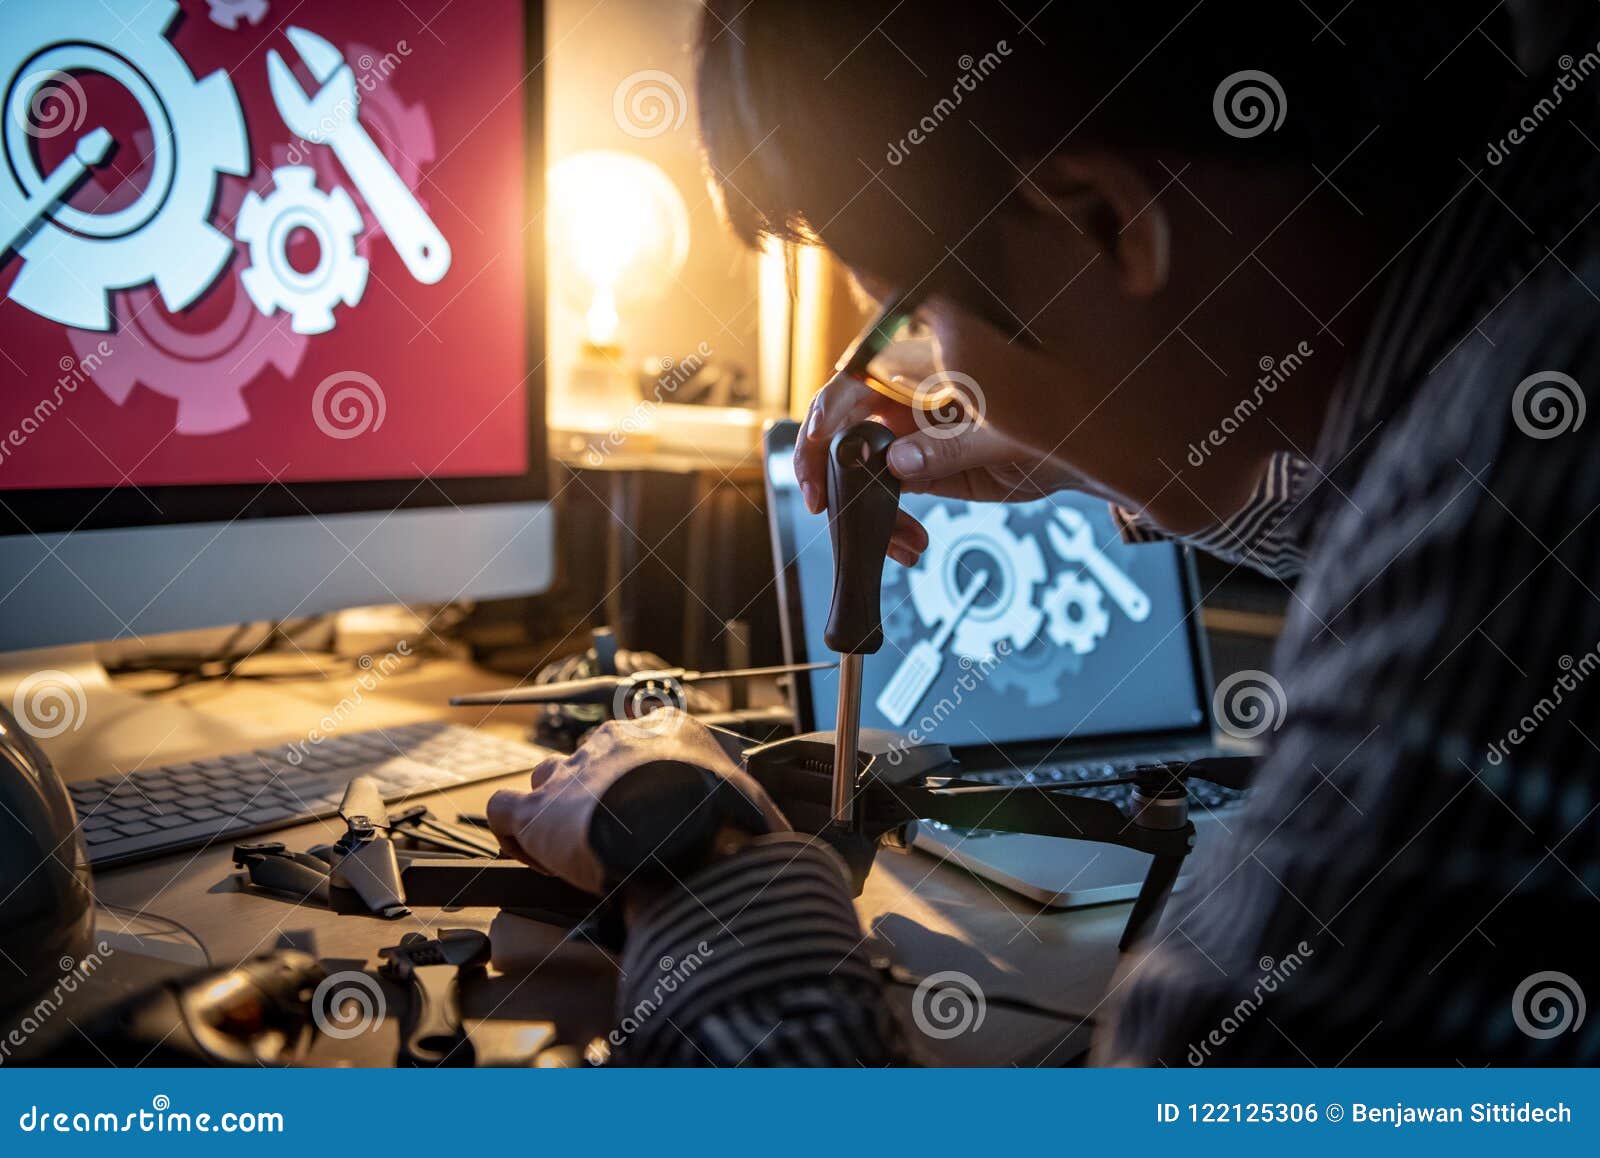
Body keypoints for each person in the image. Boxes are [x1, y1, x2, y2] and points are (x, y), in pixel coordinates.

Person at [489, 1, 1600, 1064]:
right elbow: (1386, 495)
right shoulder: (1524, 327)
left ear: (1103, 222)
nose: (930, 373)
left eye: (920, 317)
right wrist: (1097, 433)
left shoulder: (1511, 501)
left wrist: (701, 863)